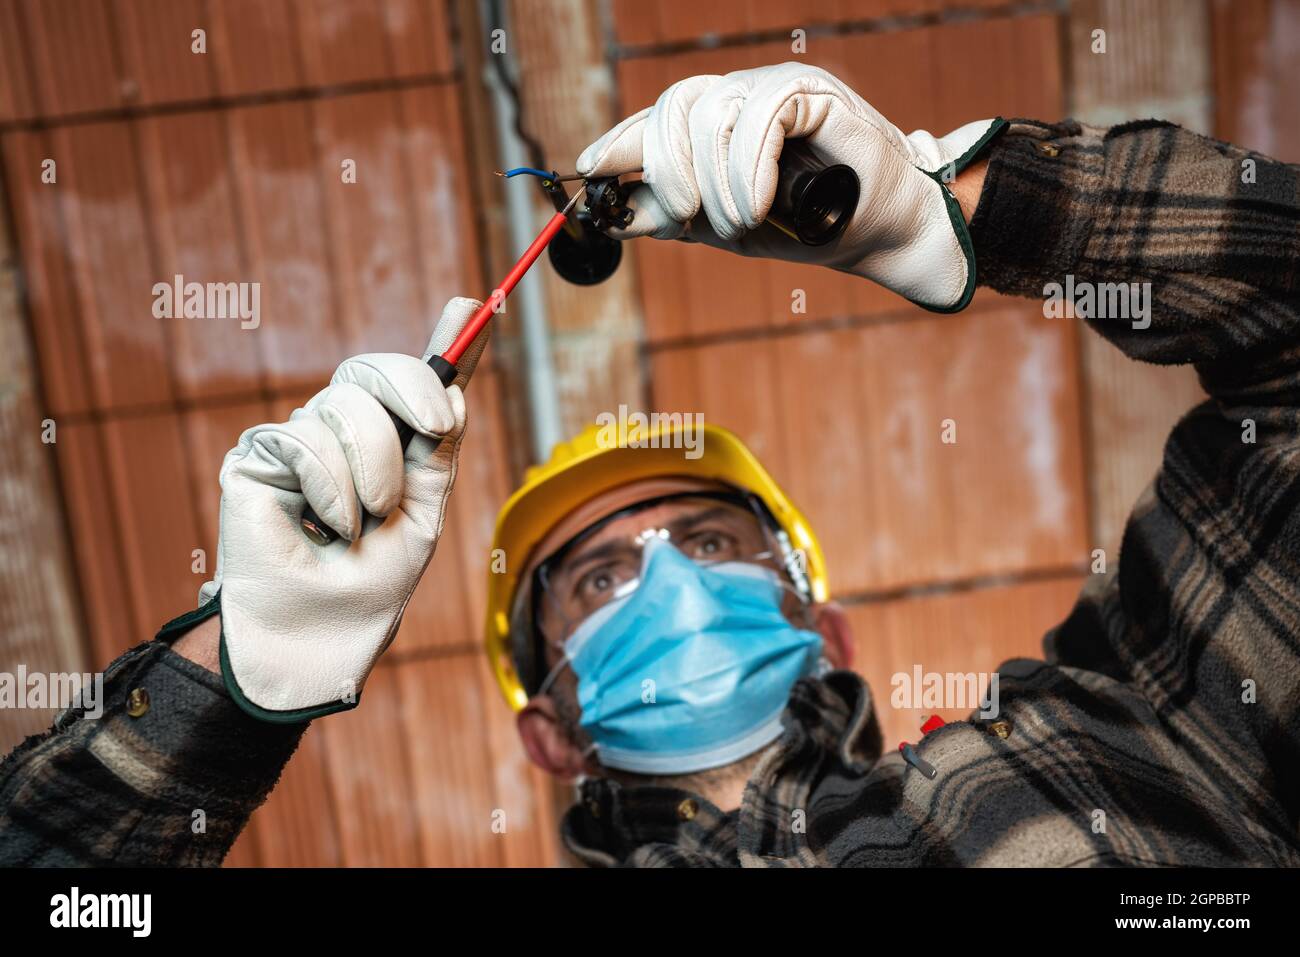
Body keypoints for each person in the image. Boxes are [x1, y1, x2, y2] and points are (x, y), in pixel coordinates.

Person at [2, 63, 1298, 867]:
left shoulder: (1135, 742)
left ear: (826, 622)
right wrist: (227, 679)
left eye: (720, 541)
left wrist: (962, 205)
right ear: (549, 727)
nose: (673, 571)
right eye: (601, 574)